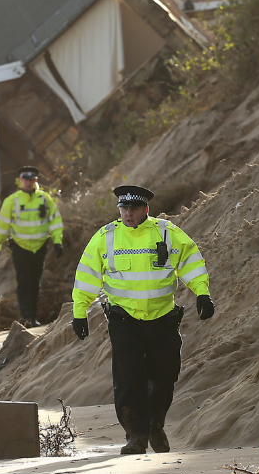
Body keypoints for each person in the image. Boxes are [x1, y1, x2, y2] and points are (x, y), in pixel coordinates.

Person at [70, 185, 214, 455]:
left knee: (165, 377)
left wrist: (202, 294)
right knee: (129, 380)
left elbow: (191, 262)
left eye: (134, 208)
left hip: (162, 319)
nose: (128, 213)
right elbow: (87, 276)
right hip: (124, 321)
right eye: (124, 208)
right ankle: (135, 437)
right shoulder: (106, 237)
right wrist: (80, 312)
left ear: (146, 209)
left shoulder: (166, 233)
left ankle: (155, 427)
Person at [0, 166, 63, 327]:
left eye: (31, 180)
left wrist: (57, 242)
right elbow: (2, 226)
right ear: (20, 180)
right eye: (25, 180)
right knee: (23, 281)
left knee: (35, 282)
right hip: (20, 248)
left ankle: (33, 317)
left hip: (39, 248)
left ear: (35, 180)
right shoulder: (12, 201)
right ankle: (25, 316)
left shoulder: (45, 199)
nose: (28, 183)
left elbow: (55, 222)